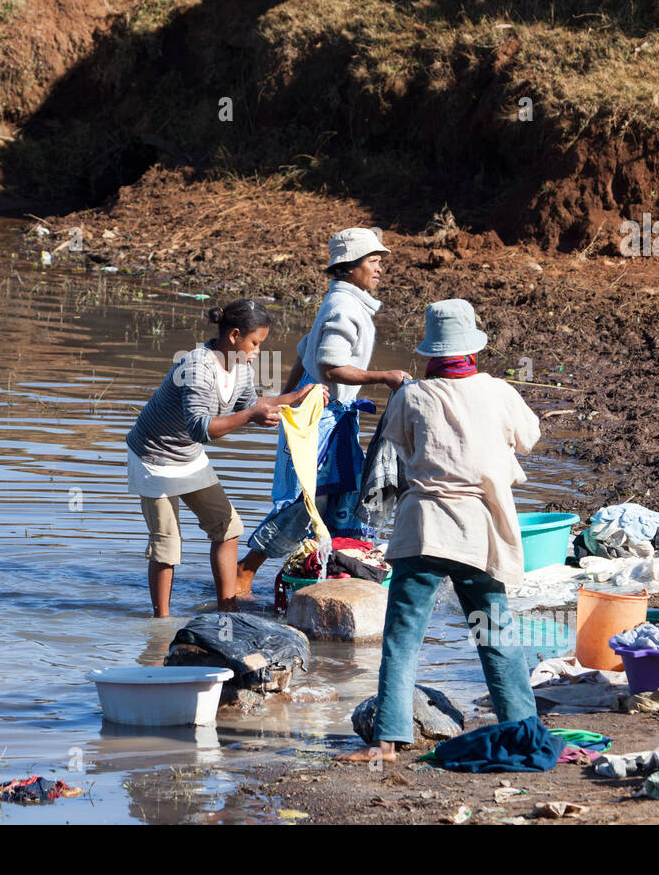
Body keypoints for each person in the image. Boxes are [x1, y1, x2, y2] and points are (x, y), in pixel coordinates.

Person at [337, 299, 541, 762]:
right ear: (472, 348)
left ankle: (387, 743)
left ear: (431, 351)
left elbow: (401, 444)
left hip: (422, 530)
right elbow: (528, 438)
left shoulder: (412, 395)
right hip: (478, 531)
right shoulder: (499, 392)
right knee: (494, 634)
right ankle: (523, 731)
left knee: (402, 638)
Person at [235, 228, 410, 597]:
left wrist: (287, 397)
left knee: (338, 497)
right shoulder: (343, 306)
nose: (379, 269)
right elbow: (330, 367)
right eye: (373, 262)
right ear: (349, 268)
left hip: (326, 417)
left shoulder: (341, 301)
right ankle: (245, 571)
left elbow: (303, 352)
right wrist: (385, 377)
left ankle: (323, 576)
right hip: (321, 421)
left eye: (380, 262)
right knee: (306, 502)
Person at [126, 299, 325, 617]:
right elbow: (201, 428)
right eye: (255, 342)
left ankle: (227, 607)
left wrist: (297, 397)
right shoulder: (197, 367)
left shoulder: (241, 366)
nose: (258, 350)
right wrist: (250, 415)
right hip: (154, 456)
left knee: (228, 527)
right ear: (234, 335)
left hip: (187, 455)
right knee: (167, 544)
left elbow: (250, 403)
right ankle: (160, 623)